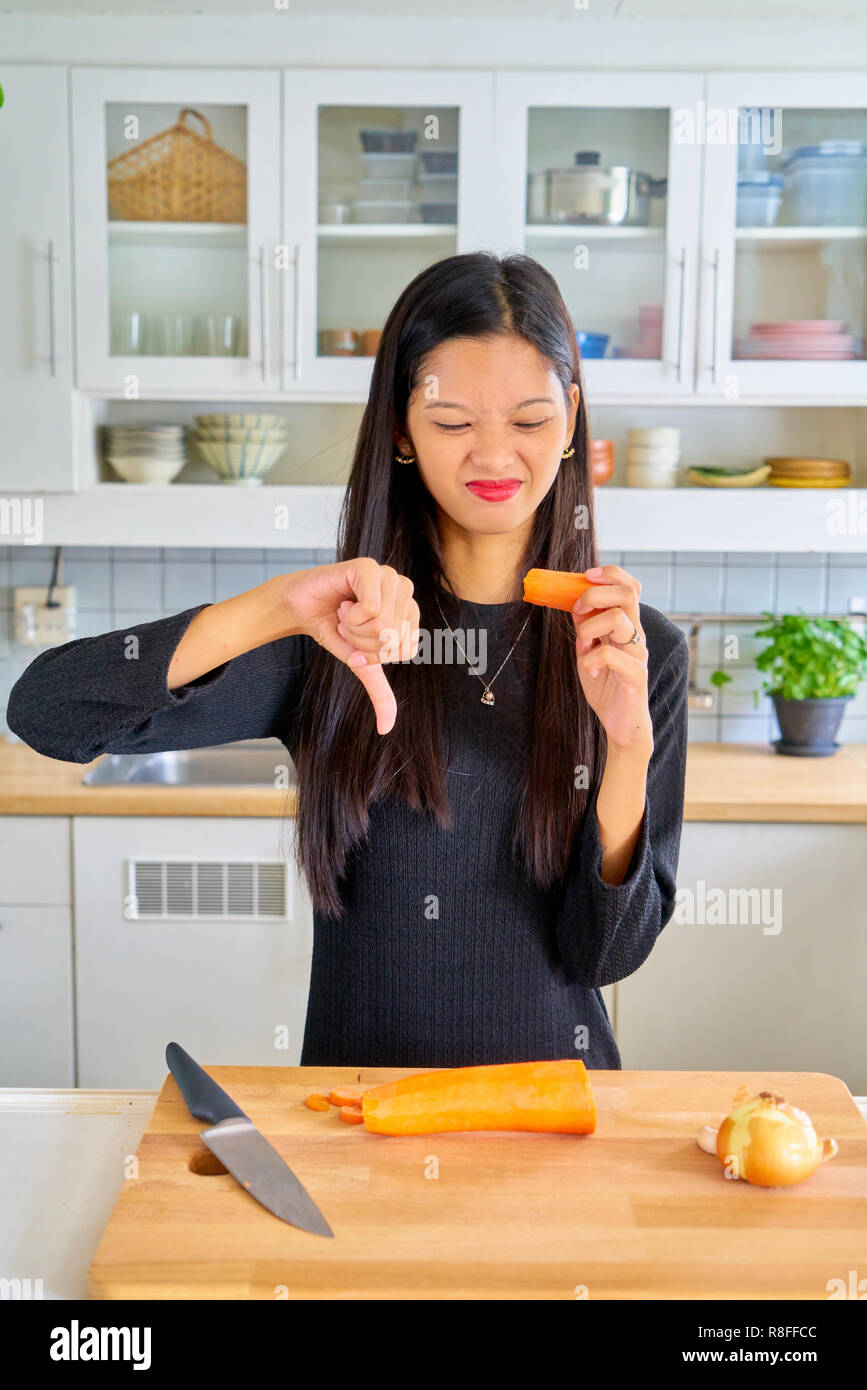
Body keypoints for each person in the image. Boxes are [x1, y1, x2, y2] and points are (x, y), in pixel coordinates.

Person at [7, 251, 689, 1070]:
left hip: (553, 1123)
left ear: (572, 418)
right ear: (401, 427)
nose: (495, 457)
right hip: (354, 1125)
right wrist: (277, 608)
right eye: (452, 422)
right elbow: (48, 713)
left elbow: (604, 956)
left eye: (530, 420)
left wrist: (626, 748)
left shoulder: (633, 651)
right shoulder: (339, 634)